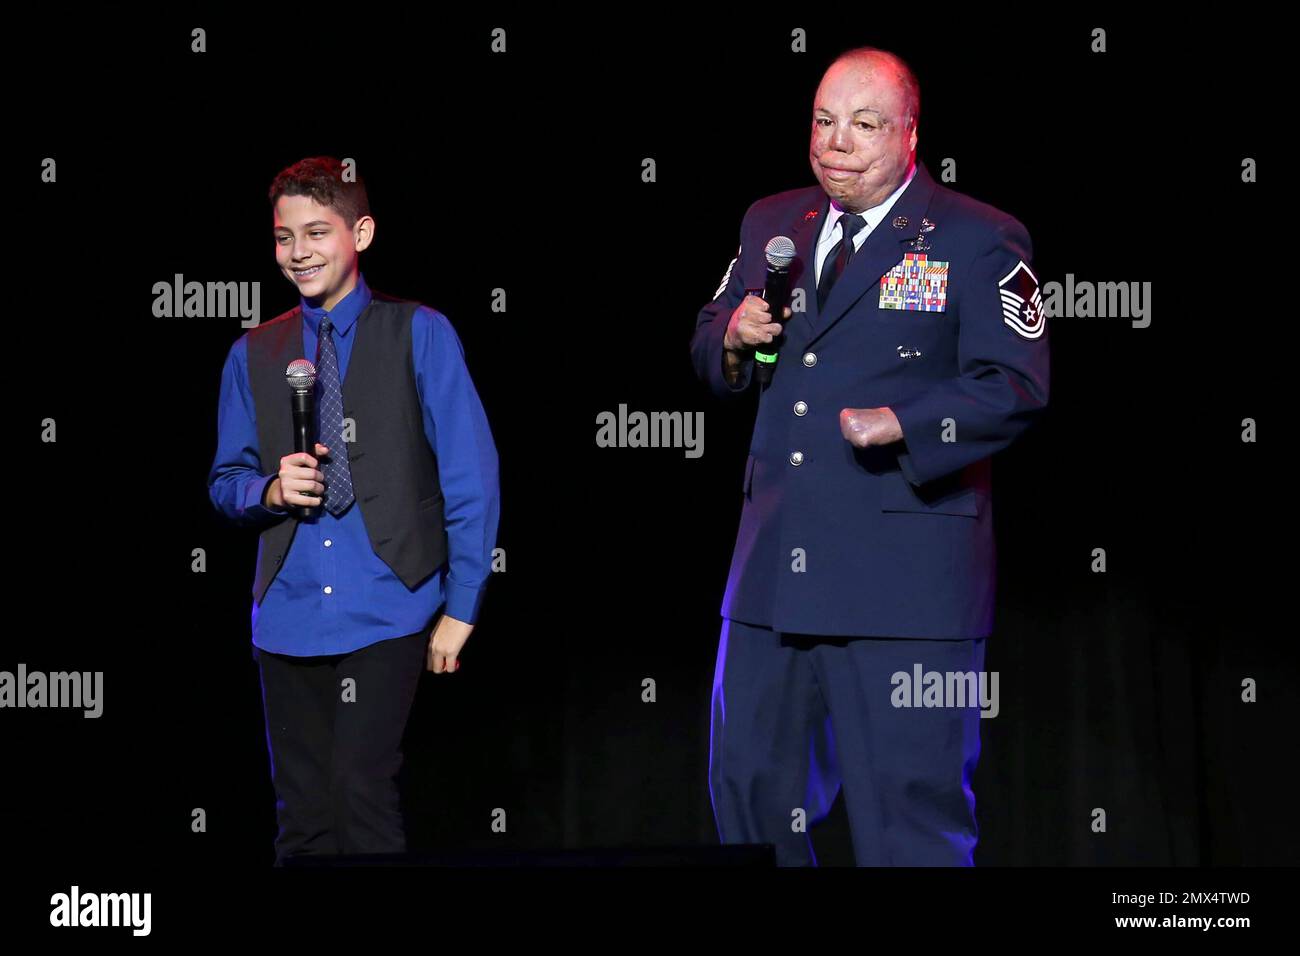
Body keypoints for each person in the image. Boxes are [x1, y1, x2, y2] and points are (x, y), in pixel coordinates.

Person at [692, 48, 1049, 865]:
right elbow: (711, 341)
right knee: (749, 803)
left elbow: (1016, 383)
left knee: (908, 826)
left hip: (908, 587)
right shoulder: (770, 221)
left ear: (911, 134)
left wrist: (907, 422)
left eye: (863, 124)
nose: (836, 142)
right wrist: (734, 340)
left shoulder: (979, 237)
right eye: (823, 121)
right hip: (773, 577)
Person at [208, 157, 500, 864]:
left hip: (388, 605)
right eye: (283, 237)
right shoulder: (253, 352)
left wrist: (460, 609)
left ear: (360, 232)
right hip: (289, 611)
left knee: (361, 791)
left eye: (317, 232)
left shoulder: (419, 332)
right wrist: (268, 491)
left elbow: (471, 476)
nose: (298, 252)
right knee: (302, 815)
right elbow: (225, 480)